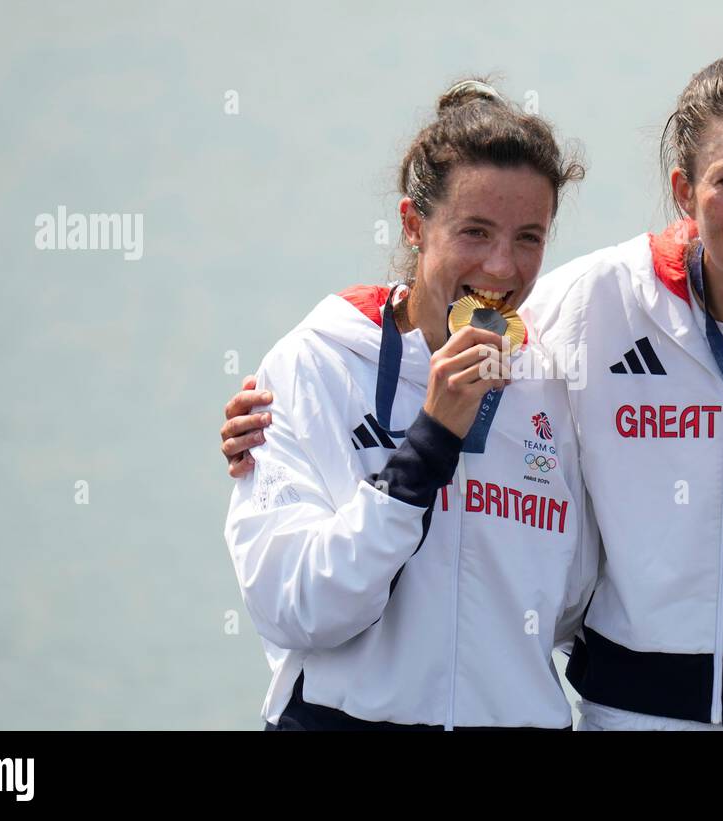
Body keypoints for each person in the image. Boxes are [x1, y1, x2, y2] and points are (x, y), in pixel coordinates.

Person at [229, 56, 723, 730]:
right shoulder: (594, 303)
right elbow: (438, 320)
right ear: (685, 191)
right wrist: (281, 403)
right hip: (627, 714)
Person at [223, 78, 597, 730]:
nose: (503, 268)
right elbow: (297, 605)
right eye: (475, 232)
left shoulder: (554, 381)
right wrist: (427, 444)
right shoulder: (316, 365)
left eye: (529, 237)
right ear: (414, 225)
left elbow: (577, 602)